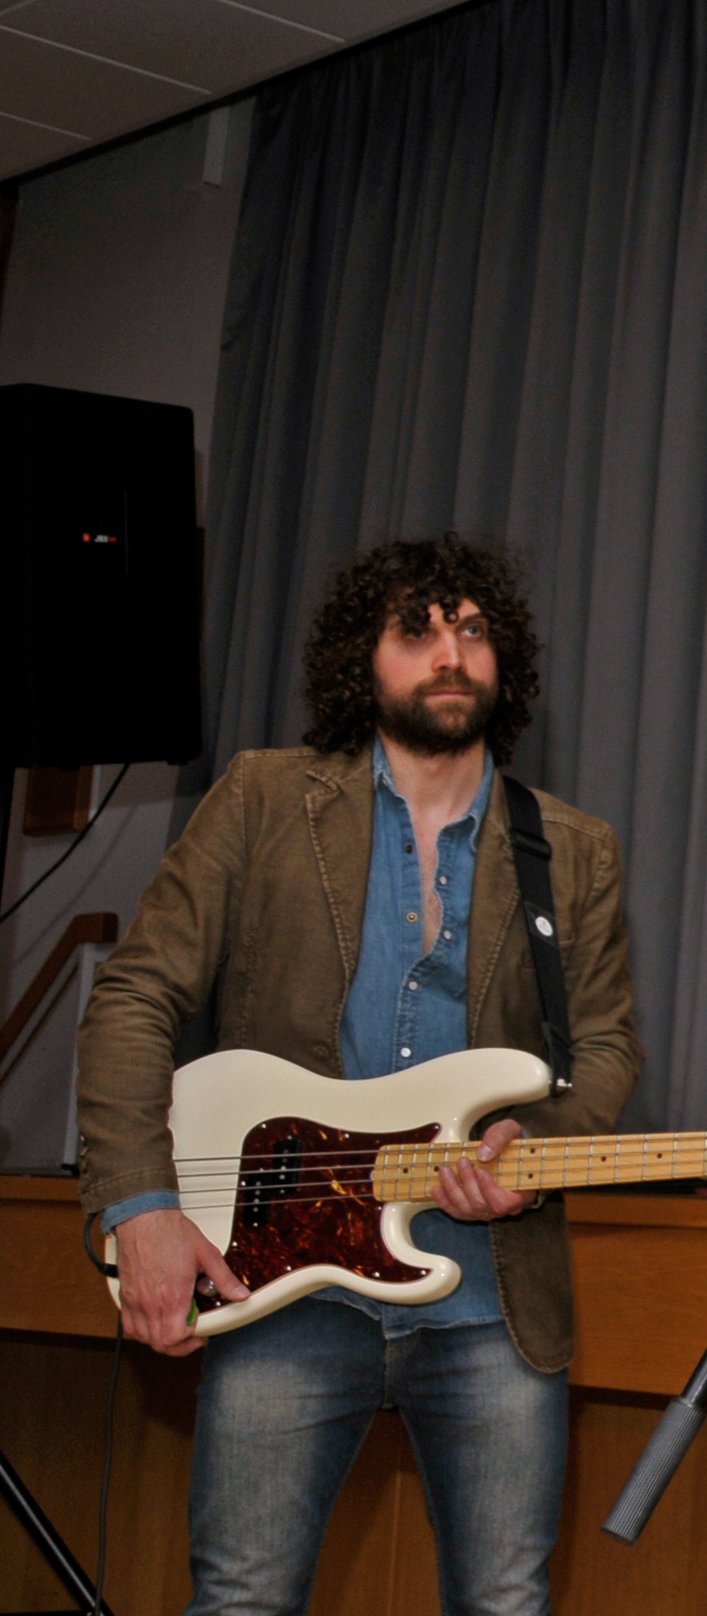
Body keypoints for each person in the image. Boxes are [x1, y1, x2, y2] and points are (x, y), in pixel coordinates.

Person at [75, 535, 641, 1616]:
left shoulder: (568, 848)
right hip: (276, 1284)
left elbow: (606, 1044)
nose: (449, 652)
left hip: (489, 1297)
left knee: (506, 1603)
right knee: (240, 1598)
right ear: (359, 659)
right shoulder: (261, 799)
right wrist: (141, 1204)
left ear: (502, 662)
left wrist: (538, 1142)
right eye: (417, 628)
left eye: (473, 629)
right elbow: (134, 996)